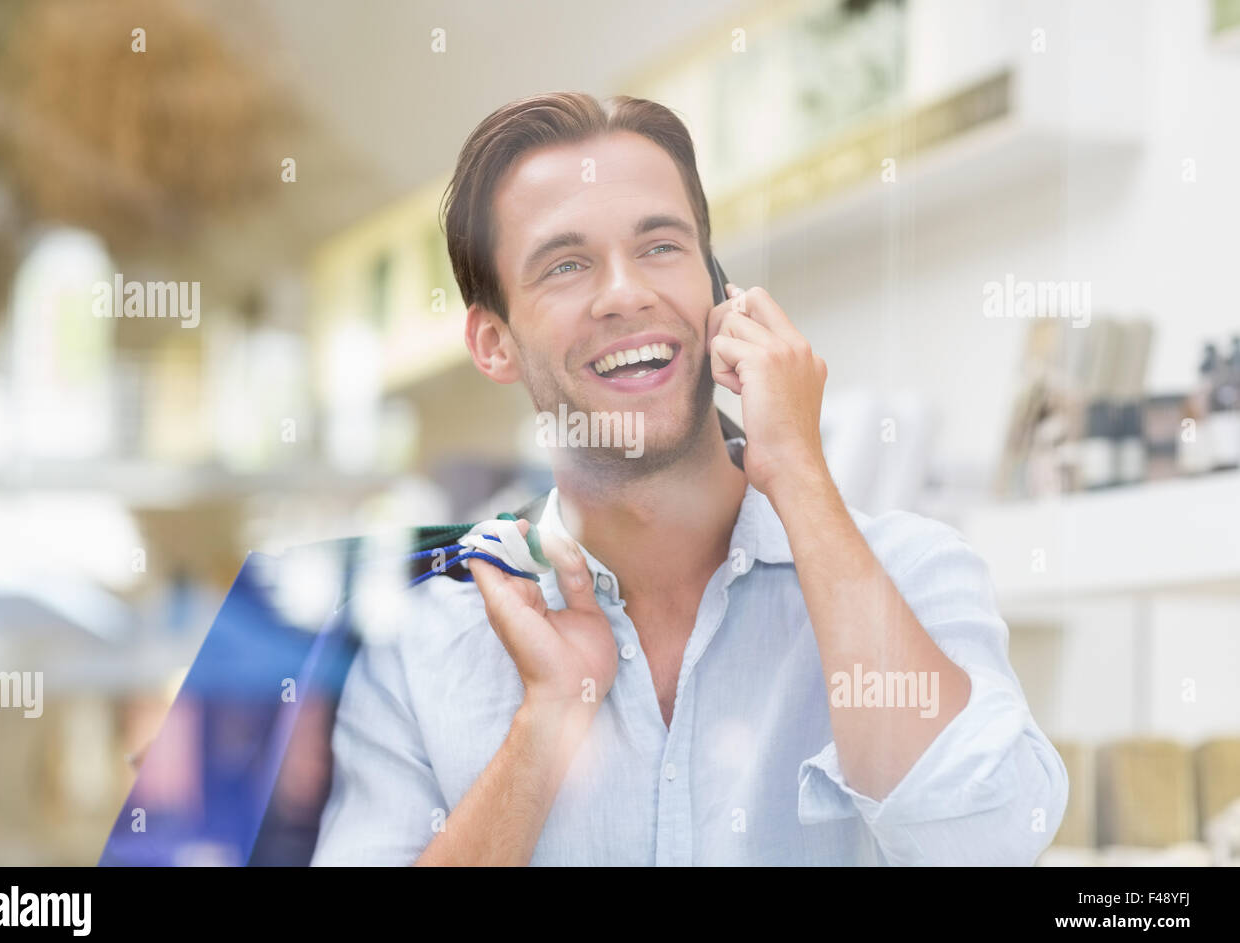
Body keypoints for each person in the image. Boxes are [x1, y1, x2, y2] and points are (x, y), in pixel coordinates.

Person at [310, 92, 1068, 866]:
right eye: (566, 265)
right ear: (493, 342)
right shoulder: (422, 646)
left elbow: (987, 846)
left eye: (661, 247)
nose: (626, 293)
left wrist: (800, 476)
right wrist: (542, 727)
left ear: (719, 293)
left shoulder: (910, 574)